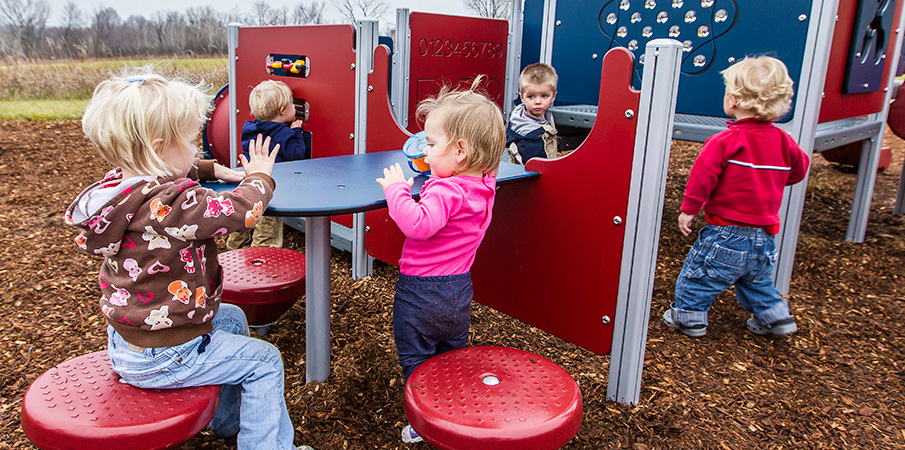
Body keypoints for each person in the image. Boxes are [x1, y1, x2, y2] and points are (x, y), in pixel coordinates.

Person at [65, 72, 312, 450]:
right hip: (167, 353)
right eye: (190, 142)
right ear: (160, 147)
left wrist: (213, 169)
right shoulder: (172, 206)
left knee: (232, 317)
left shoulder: (120, 189)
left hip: (130, 341)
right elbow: (240, 211)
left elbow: (167, 171)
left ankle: (228, 420)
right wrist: (259, 177)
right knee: (265, 361)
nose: (196, 149)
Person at [376, 76, 505, 444]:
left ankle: (424, 422)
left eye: (431, 144)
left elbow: (418, 224)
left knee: (416, 359)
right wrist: (433, 166)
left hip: (421, 294)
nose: (426, 151)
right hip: (458, 291)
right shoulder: (483, 184)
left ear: (460, 151)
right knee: (452, 356)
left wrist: (396, 190)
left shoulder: (447, 189)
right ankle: (456, 410)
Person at [663, 56, 810, 338]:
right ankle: (776, 317)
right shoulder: (784, 141)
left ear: (732, 100)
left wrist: (689, 209)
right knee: (757, 281)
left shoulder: (724, 142)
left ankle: (688, 318)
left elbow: (702, 178)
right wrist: (772, 180)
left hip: (726, 233)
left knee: (699, 277)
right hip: (763, 237)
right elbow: (798, 170)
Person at [226, 79, 312, 250]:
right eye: (292, 105)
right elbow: (297, 154)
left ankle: (234, 250)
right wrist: (296, 131)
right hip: (269, 189)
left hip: (248, 183)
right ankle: (262, 254)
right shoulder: (283, 133)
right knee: (266, 224)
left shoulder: (250, 128)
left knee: (244, 216)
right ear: (282, 111)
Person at [505, 62, 559, 165]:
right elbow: (534, 168)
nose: (538, 102)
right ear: (522, 97)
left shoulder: (546, 114)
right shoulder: (529, 136)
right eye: (531, 97)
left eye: (544, 96)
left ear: (553, 96)